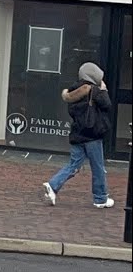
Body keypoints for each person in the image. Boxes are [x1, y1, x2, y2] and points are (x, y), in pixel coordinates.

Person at [42, 62, 114, 208]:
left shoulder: (73, 90)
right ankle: (100, 198)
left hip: (78, 134)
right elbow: (107, 105)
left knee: (73, 165)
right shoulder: (95, 90)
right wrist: (103, 89)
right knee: (98, 167)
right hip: (92, 135)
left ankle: (53, 185)